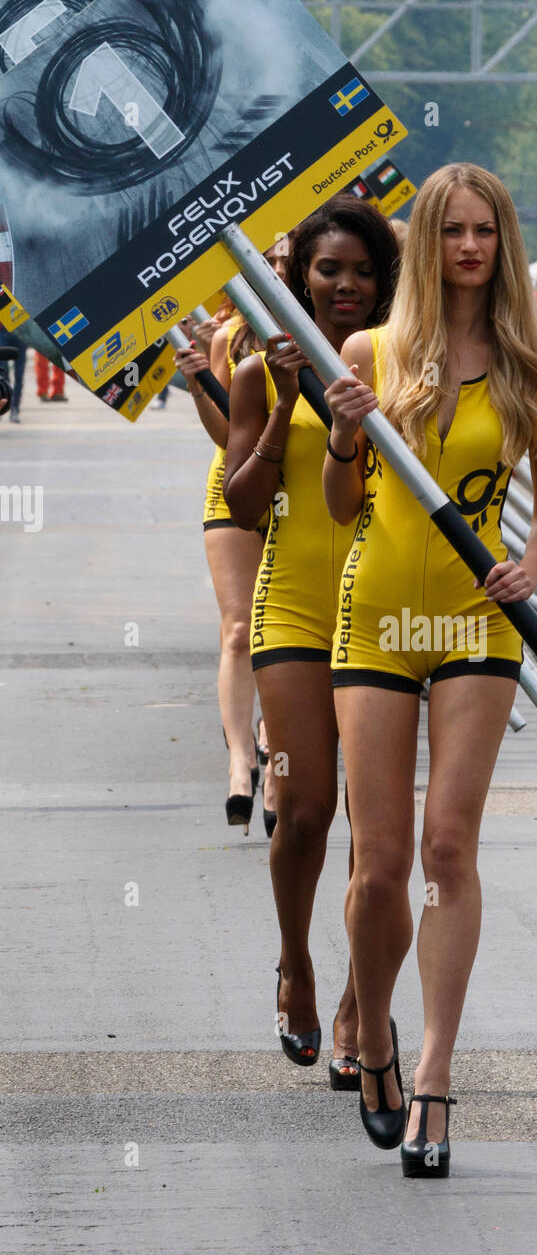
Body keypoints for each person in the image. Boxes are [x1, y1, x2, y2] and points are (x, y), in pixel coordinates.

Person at [322, 162, 537, 1174]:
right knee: (378, 864)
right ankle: (369, 1031)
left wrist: (533, 564)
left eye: (485, 230)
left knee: (448, 851)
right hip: (376, 619)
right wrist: (342, 433)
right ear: (424, 243)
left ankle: (431, 1073)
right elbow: (342, 508)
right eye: (452, 230)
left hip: (475, 625)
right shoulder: (369, 351)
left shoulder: (535, 366)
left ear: (501, 244)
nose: (469, 247)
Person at [224, 197, 400, 1089]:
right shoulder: (261, 375)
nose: (345, 285)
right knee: (302, 813)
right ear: (299, 277)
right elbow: (244, 503)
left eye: (363, 271)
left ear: (384, 284)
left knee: (379, 833)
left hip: (388, 620)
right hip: (291, 611)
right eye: (329, 269)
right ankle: (296, 964)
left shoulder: (405, 373)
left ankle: (363, 1009)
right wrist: (289, 399)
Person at [172, 247, 287, 837]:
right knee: (239, 627)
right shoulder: (230, 337)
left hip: (301, 491)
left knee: (284, 631)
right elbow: (226, 437)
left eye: (285, 257)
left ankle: (276, 747)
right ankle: (241, 759)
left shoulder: (330, 333)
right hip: (236, 486)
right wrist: (198, 388)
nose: (274, 266)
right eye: (264, 257)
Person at [0, 331, 26, 422]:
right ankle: (3, 406)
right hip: (2, 332)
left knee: (19, 376)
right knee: (2, 374)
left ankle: (15, 408)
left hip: (20, 333)